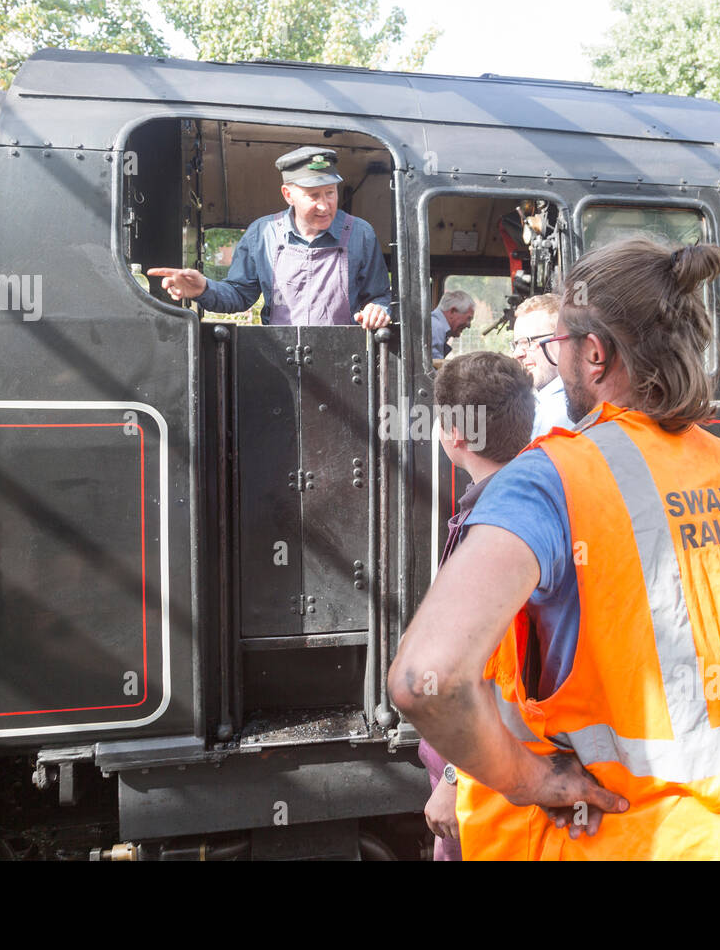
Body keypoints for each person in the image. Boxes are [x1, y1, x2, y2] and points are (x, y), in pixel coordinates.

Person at [389, 237, 720, 860]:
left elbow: (426, 681)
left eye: (555, 345)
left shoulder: (550, 480)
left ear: (593, 353)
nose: (553, 363)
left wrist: (532, 780)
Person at [418, 351, 535, 860]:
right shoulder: (516, 503)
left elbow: (493, 675)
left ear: (455, 434)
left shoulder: (494, 529)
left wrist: (452, 778)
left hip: (481, 786)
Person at [147, 146, 392, 328]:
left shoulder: (361, 233)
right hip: (280, 358)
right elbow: (240, 295)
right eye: (313, 196)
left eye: (330, 193)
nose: (324, 205)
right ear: (288, 194)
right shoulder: (262, 234)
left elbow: (379, 295)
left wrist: (378, 309)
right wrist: (204, 289)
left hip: (345, 361)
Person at [509, 293, 575, 438]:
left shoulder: (556, 416)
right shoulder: (540, 403)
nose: (518, 354)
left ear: (561, 340)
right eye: (516, 344)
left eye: (528, 342)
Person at [430, 290, 475, 359]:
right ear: (453, 311)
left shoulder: (434, 324)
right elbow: (435, 367)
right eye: (468, 318)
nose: (469, 326)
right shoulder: (436, 328)